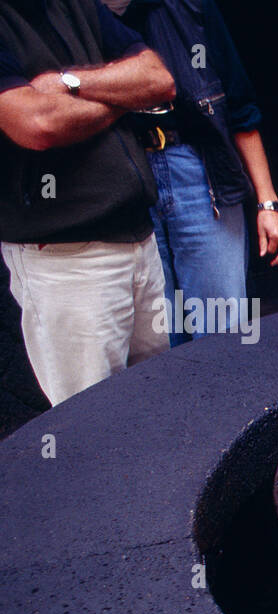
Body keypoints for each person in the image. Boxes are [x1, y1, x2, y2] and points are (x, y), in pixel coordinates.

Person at [0, 0, 175, 405]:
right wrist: (122, 95)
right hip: (66, 258)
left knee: (158, 402)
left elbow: (159, 78)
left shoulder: (75, 5)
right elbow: (38, 124)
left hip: (139, 241)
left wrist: (68, 83)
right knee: (92, 422)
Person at [108, 0, 278, 345]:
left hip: (198, 167)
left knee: (224, 331)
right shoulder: (77, 15)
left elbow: (238, 105)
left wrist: (268, 204)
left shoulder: (189, 6)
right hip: (122, 175)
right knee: (155, 342)